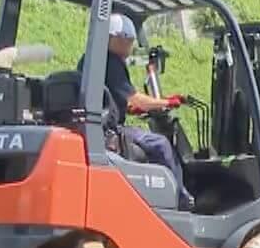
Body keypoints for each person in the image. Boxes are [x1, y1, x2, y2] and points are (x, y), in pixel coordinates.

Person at [79, 12, 194, 209]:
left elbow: (115, 97)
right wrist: (167, 102)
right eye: (129, 41)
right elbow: (135, 98)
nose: (130, 47)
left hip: (99, 126)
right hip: (109, 131)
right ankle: (182, 199)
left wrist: (133, 109)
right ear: (116, 38)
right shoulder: (111, 62)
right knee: (161, 144)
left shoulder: (90, 60)